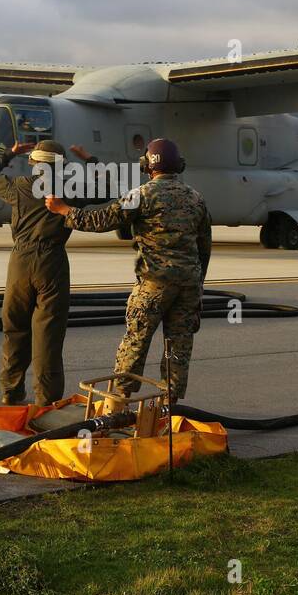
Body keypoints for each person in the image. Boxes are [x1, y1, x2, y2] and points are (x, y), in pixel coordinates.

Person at [45, 137, 211, 400]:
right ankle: (170, 409)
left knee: (136, 342)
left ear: (147, 165)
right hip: (189, 285)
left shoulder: (142, 195)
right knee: (179, 347)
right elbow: (204, 248)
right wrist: (198, 284)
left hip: (154, 283)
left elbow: (101, 220)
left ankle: (119, 403)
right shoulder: (196, 198)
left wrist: (65, 210)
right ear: (178, 165)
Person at [0, 139, 99, 406]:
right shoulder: (71, 189)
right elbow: (107, 188)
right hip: (52, 262)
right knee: (48, 334)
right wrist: (89, 159)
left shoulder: (18, 186)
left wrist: (8, 153)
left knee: (15, 328)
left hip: (20, 262)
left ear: (33, 162)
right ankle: (47, 401)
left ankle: (11, 392)